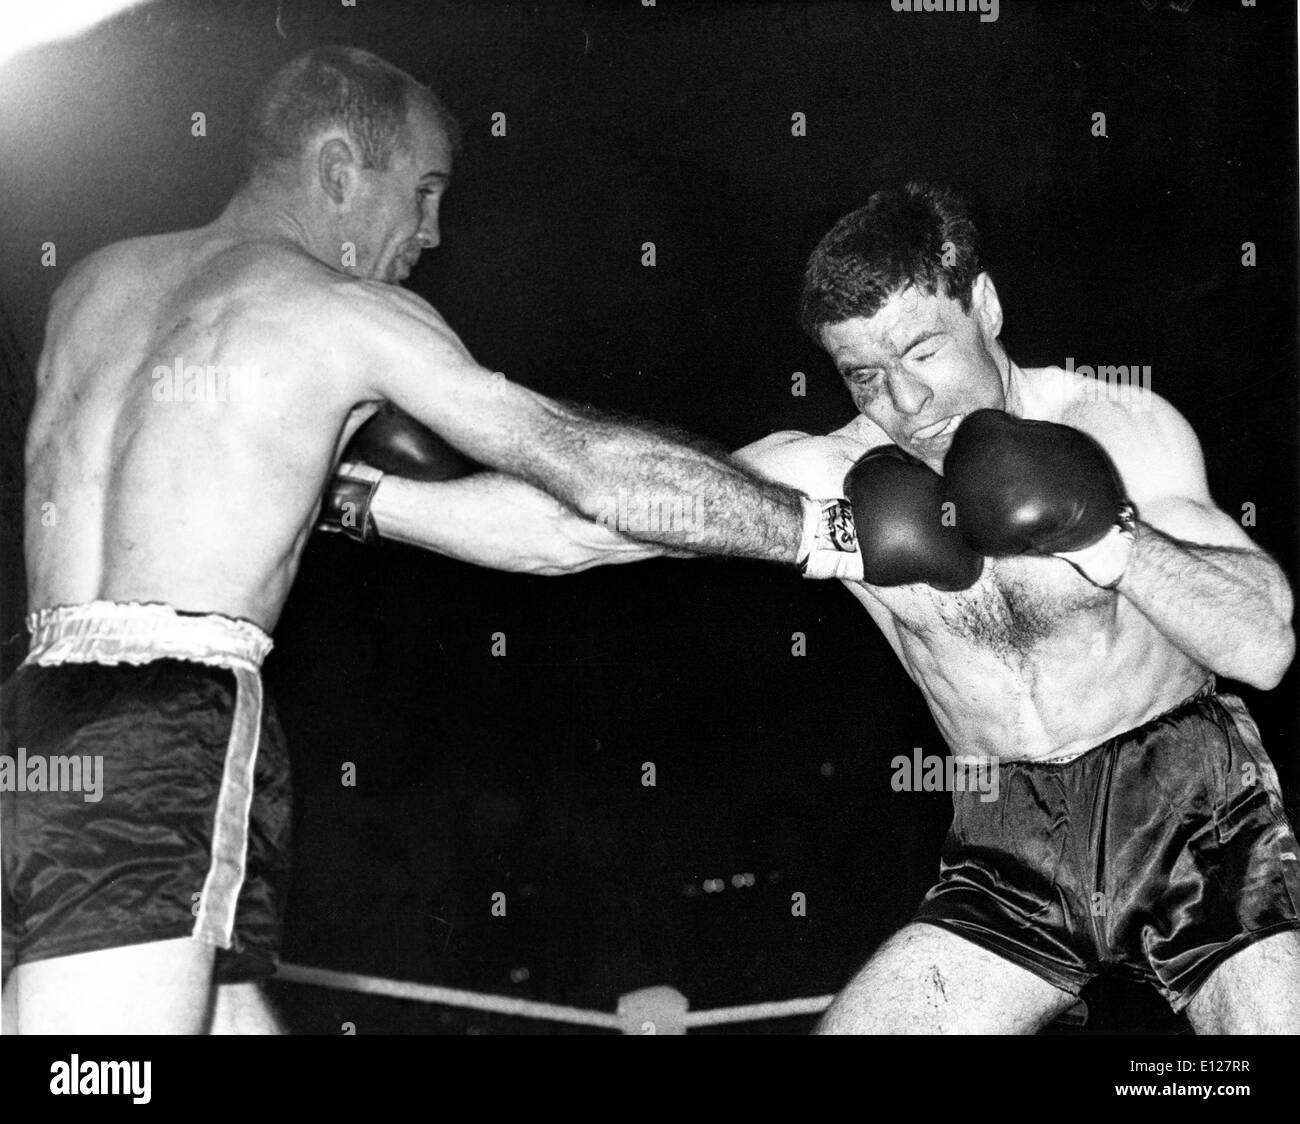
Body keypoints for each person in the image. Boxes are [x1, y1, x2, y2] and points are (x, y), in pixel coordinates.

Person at [0, 46, 861, 1035]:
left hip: (31, 715)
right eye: (424, 189)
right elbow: (581, 463)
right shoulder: (345, 315)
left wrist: (719, 501)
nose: (432, 230)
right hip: (162, 724)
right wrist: (823, 531)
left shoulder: (96, 285)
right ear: (337, 169)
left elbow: (513, 526)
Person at [360, 183, 1300, 1033]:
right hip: (1011, 840)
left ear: (986, 306)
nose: (904, 399)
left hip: (1193, 813)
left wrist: (1107, 537)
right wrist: (357, 500)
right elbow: (577, 529)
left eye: (923, 350)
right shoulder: (831, 475)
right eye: (862, 376)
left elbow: (1263, 642)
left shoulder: (1116, 429)